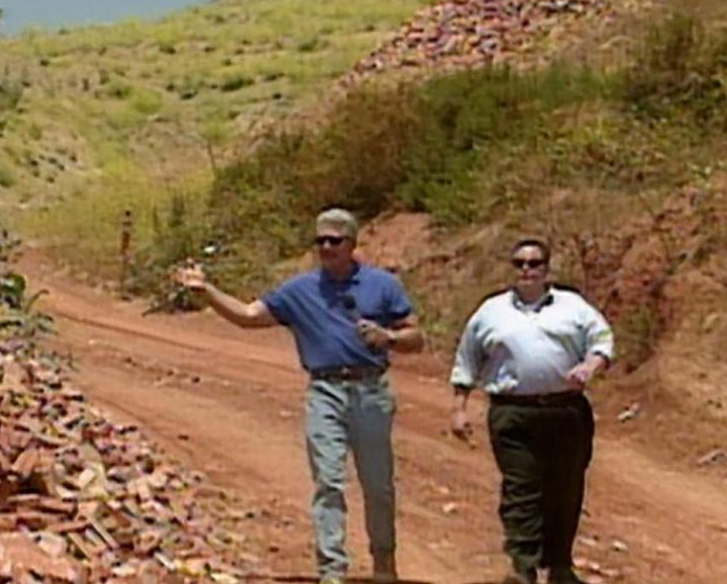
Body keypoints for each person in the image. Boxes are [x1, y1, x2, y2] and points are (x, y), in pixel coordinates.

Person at [175, 208, 423, 584]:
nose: (327, 247)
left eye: (334, 240)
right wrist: (206, 292)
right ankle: (332, 570)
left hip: (370, 391)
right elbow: (248, 315)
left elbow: (415, 338)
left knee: (378, 485)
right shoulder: (300, 290)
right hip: (325, 391)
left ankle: (384, 564)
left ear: (352, 243)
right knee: (328, 482)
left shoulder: (382, 285)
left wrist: (388, 337)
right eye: (320, 240)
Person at [447, 239, 614, 584]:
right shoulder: (491, 311)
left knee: (565, 488)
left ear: (547, 269)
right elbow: (467, 359)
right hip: (513, 413)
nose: (527, 270)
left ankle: (560, 565)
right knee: (521, 488)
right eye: (519, 263)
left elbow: (602, 341)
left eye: (535, 263)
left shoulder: (573, 306)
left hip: (565, 412)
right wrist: (459, 409)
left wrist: (589, 366)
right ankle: (523, 565)